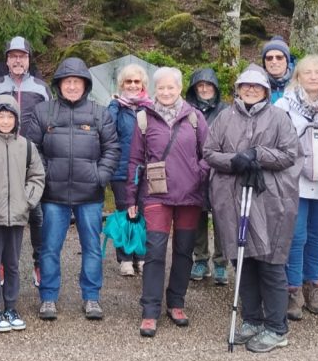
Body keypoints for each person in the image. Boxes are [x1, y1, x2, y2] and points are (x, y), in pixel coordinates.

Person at [204, 64, 301, 353]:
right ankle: (252, 319)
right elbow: (209, 152)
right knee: (242, 261)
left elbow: (290, 154)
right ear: (237, 89)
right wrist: (235, 161)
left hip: (269, 199)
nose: (250, 89)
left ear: (266, 90)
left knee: (269, 262)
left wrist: (257, 154)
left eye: (256, 86)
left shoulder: (278, 117)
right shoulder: (225, 117)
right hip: (232, 197)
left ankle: (276, 327)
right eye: (245, 85)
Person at [29, 57, 119, 321]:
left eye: (76, 81)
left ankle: (91, 297)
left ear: (85, 84)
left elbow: (112, 149)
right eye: (67, 81)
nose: (71, 86)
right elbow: (32, 147)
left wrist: (99, 176)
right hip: (53, 194)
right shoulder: (43, 111)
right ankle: (48, 297)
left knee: (92, 248)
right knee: (49, 248)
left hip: (89, 195)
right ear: (59, 84)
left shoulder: (99, 113)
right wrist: (45, 175)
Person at [126, 67, 209, 337]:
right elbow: (135, 161)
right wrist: (131, 197)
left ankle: (176, 303)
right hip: (155, 195)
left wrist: (198, 174)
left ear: (180, 88)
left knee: (184, 250)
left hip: (189, 195)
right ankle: (150, 310)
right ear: (154, 90)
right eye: (161, 87)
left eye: (170, 87)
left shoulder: (195, 117)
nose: (165, 92)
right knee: (155, 251)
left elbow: (208, 153)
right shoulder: (144, 118)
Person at [0, 94, 45, 332]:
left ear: (17, 119)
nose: (5, 121)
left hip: (17, 216)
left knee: (12, 264)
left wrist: (27, 201)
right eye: (0, 116)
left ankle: (11, 306)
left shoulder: (27, 146)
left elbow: (37, 177)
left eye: (9, 116)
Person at [274, 55, 318, 320]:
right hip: (295, 183)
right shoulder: (284, 105)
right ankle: (292, 290)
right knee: (296, 236)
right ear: (297, 76)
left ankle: (312, 286)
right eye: (307, 72)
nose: (313, 76)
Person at [0, 36, 52, 285]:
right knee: (2, 214)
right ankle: (1, 265)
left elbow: (50, 123)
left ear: (28, 59)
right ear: (6, 60)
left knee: (37, 214)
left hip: (32, 157)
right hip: (2, 157)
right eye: (13, 56)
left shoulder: (41, 88)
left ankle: (39, 263)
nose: (17, 61)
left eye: (22, 56)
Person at [185, 68, 230, 284]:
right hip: (193, 169)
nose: (204, 89)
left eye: (208, 85)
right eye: (200, 85)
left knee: (222, 219)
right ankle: (200, 259)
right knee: (197, 216)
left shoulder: (226, 110)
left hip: (220, 170)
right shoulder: (187, 110)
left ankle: (221, 263)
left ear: (215, 88)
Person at [107, 63, 151, 277]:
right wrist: (114, 105)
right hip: (121, 168)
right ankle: (124, 257)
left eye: (136, 81)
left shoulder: (150, 107)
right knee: (125, 212)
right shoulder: (116, 107)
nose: (133, 85)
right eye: (128, 81)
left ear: (143, 84)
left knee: (143, 212)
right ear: (122, 84)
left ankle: (141, 255)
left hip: (145, 169)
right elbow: (107, 129)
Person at [261, 36, 295, 103]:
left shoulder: (299, 82)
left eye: (279, 57)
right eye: (269, 58)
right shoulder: (257, 85)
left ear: (287, 61)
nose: (274, 61)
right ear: (264, 62)